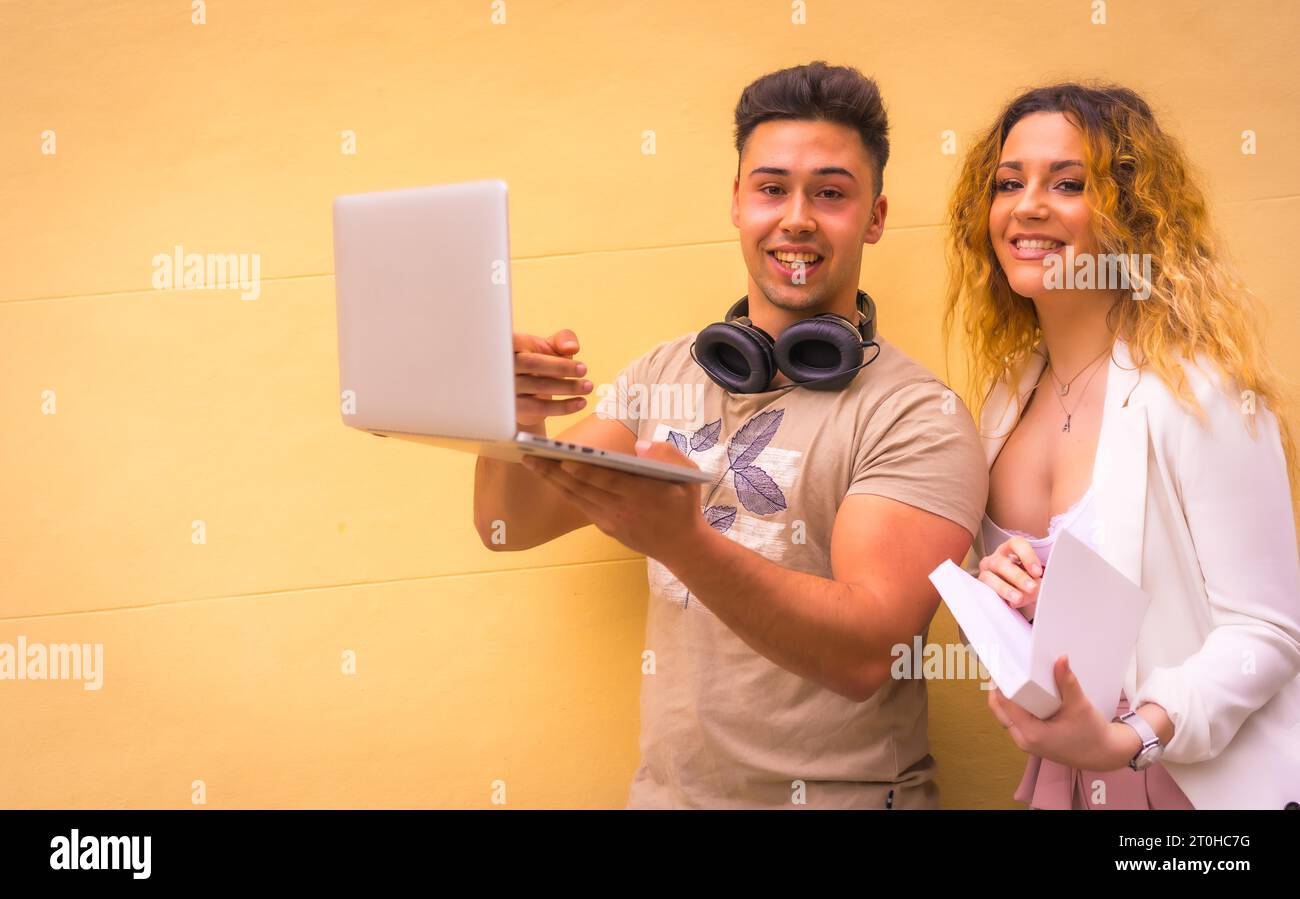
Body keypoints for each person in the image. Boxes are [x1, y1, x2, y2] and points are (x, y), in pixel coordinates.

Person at [473, 61, 988, 808]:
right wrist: (514, 421)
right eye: (771, 187)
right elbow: (506, 525)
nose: (797, 217)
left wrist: (683, 539)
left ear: (874, 217)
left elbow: (867, 654)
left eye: (831, 193)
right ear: (738, 203)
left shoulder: (915, 414)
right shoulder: (663, 370)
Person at [944, 82, 1300, 809]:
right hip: (1064, 783)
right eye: (1008, 183)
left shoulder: (1199, 392)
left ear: (1130, 213)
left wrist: (1133, 733)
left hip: (1193, 788)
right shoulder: (1008, 398)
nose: (1027, 205)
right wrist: (1000, 591)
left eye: (1068, 183)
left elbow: (1267, 632)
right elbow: (1058, 642)